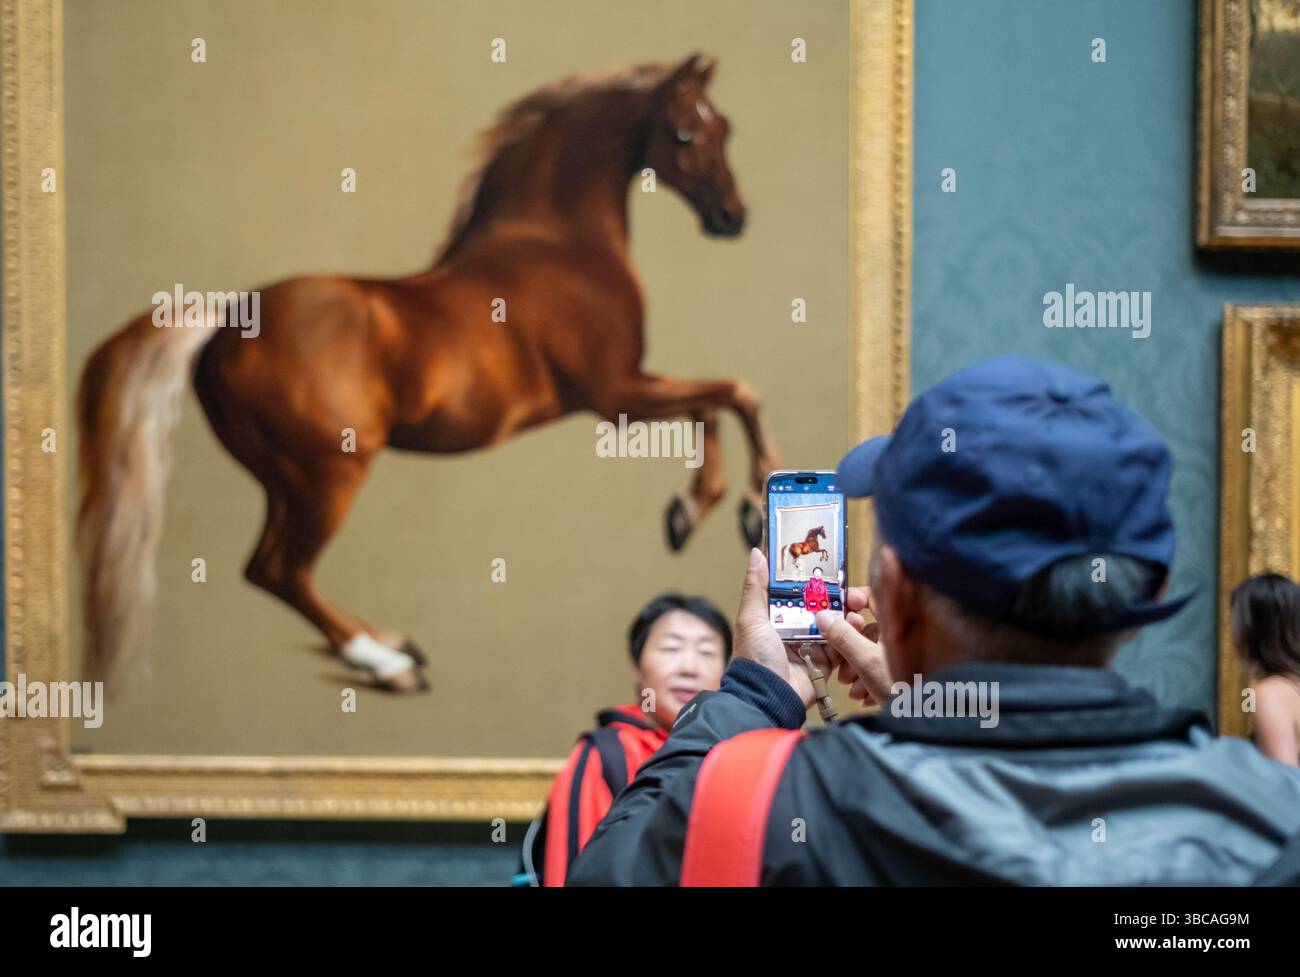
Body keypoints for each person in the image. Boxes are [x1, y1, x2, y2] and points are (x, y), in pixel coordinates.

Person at [568, 355, 1300, 885]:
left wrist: (757, 692)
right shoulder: (1274, 820)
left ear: (895, 594)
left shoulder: (758, 806)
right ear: (1144, 597)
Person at [518, 593, 730, 886]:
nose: (689, 668)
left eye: (706, 653)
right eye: (671, 648)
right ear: (636, 666)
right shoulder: (607, 754)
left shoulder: (737, 753)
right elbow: (572, 871)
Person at [1230, 573, 1300, 766]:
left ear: (1251, 629)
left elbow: (1284, 785)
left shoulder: (1267, 693)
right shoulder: (1283, 688)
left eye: (1235, 622)